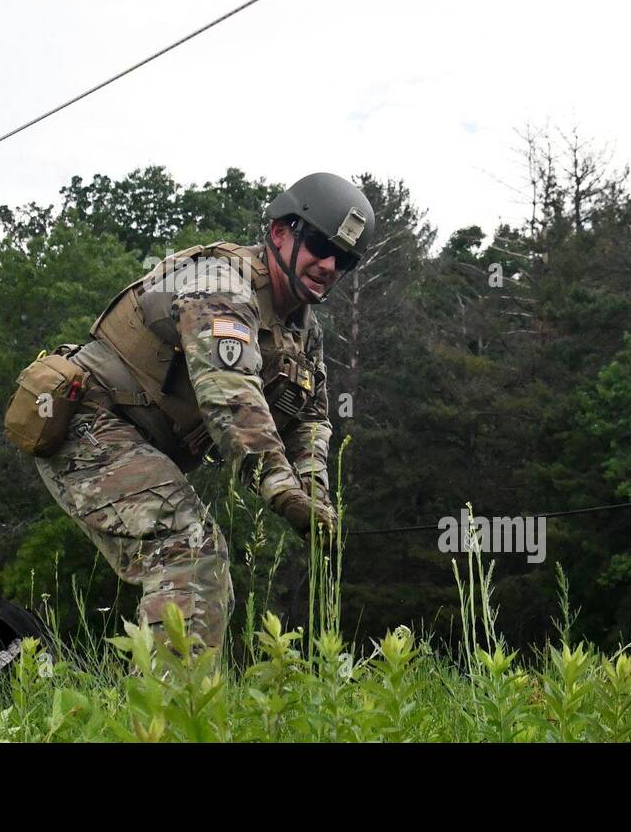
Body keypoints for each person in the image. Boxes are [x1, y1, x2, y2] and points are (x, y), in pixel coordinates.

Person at [22, 172, 375, 654]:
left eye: (346, 259)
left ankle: (168, 705)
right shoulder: (220, 284)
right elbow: (229, 393)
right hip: (89, 422)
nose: (330, 264)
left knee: (204, 571)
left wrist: (315, 494)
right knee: (189, 558)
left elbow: (311, 420)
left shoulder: (301, 331)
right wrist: (282, 489)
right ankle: (166, 718)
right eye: (318, 243)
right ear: (279, 232)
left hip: (137, 443)